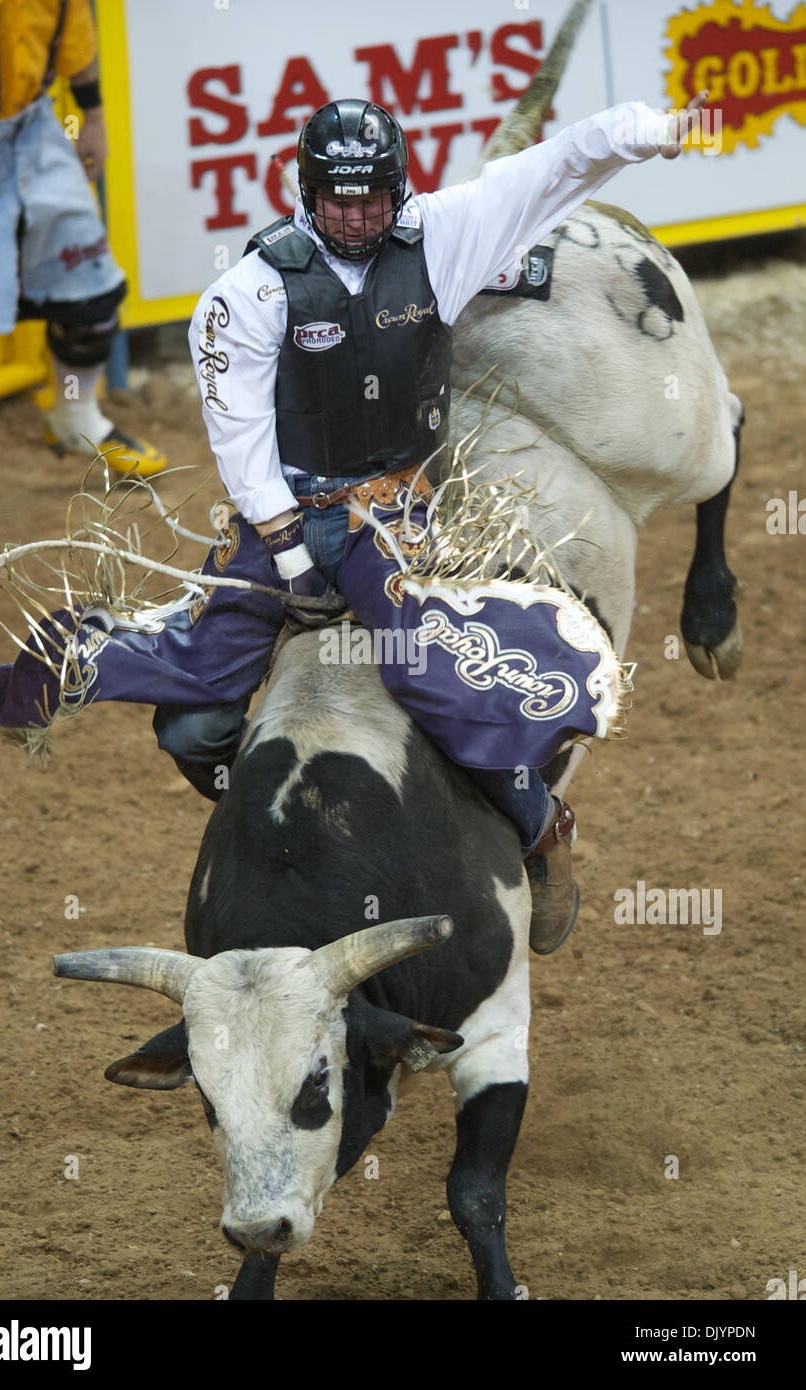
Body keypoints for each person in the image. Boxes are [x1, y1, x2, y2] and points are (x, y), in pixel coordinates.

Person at [167, 92, 707, 955]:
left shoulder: (443, 236)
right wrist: (290, 555)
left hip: (395, 513)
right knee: (188, 722)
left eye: (373, 200)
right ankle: (258, 811)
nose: (356, 217)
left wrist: (652, 131)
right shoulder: (248, 292)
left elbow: (556, 164)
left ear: (400, 191)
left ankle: (540, 828)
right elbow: (240, 438)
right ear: (307, 195)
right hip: (283, 513)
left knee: (448, 687)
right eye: (338, 201)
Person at [0, 0, 164, 474]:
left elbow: (74, 34)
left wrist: (93, 115)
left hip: (29, 130)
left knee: (91, 289)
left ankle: (74, 417)